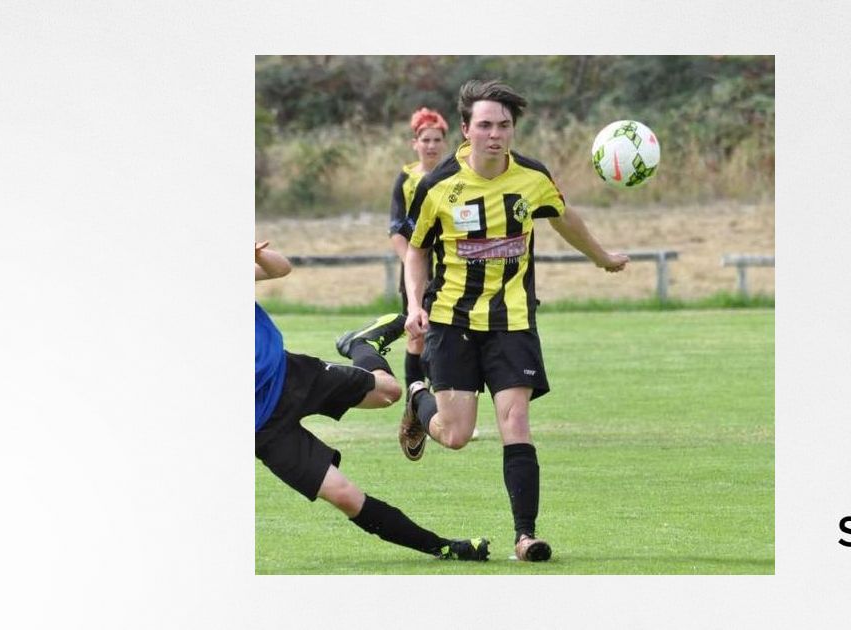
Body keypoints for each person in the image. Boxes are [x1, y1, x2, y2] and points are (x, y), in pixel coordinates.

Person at [399, 80, 630, 562]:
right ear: (466, 129)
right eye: (485, 125)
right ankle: (417, 397)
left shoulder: (532, 177)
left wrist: (602, 257)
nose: (495, 134)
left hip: (513, 319)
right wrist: (416, 304)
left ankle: (526, 537)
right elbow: (416, 249)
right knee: (456, 435)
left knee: (516, 419)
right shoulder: (437, 185)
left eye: (503, 125)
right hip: (452, 320)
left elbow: (564, 217)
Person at [255, 240, 489, 562]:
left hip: (292, 376)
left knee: (388, 392)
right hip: (263, 430)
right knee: (344, 496)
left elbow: (281, 268)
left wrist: (257, 255)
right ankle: (444, 547)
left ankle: (362, 344)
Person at [335, 106, 480, 438]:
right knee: (419, 335)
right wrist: (414, 266)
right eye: (425, 140)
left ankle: (433, 405)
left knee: (449, 337)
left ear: (446, 142)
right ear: (414, 143)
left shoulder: (456, 175)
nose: (431, 146)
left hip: (451, 270)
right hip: (417, 269)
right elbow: (397, 231)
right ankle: (420, 403)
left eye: (437, 140)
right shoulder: (407, 179)